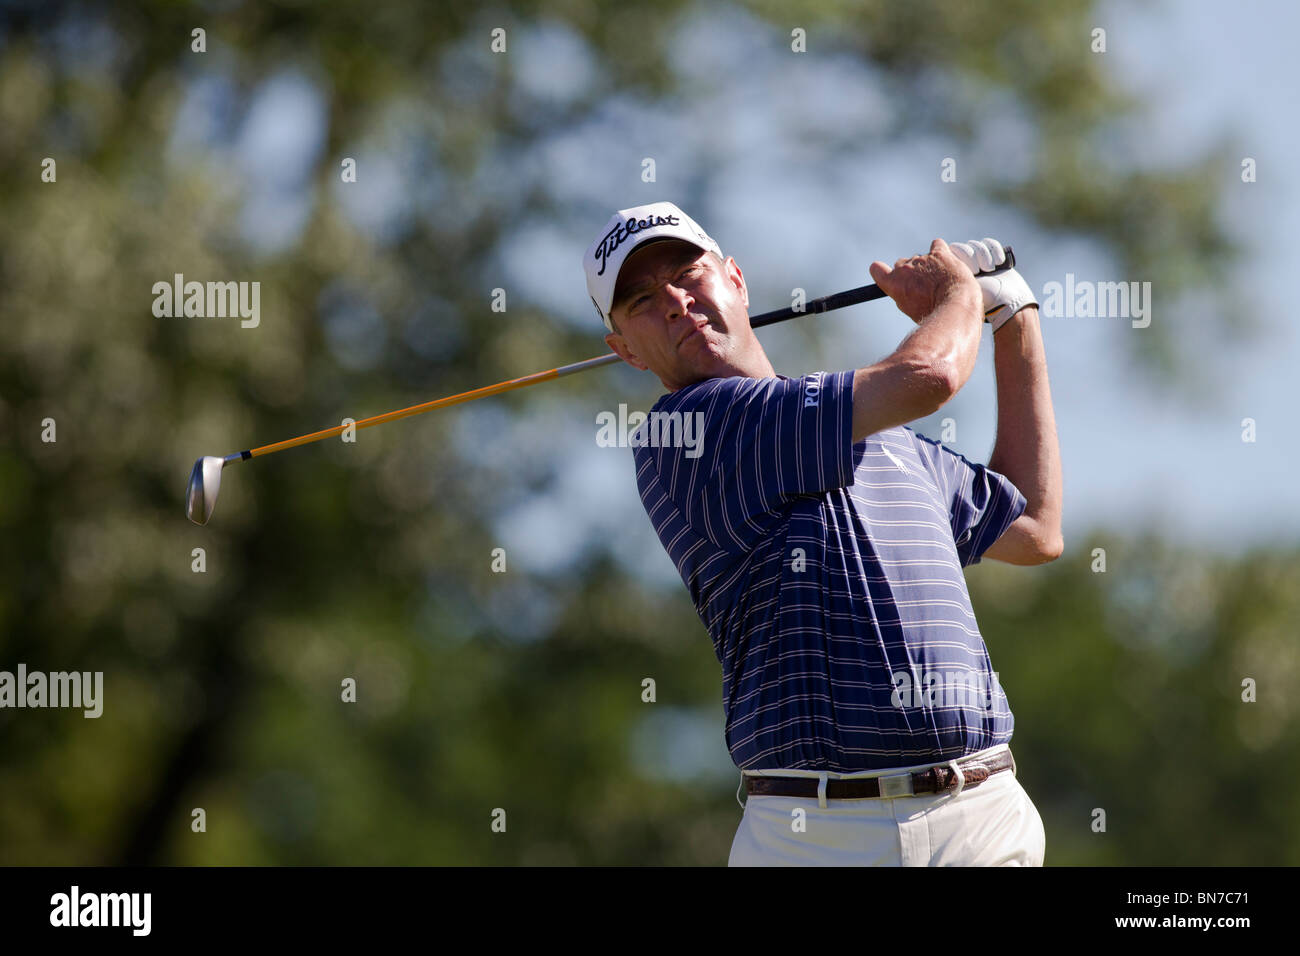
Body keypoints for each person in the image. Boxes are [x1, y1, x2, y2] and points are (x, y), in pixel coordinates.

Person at [583, 201, 1062, 866]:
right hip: (815, 836)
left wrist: (1013, 317)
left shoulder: (887, 441)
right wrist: (958, 295)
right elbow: (931, 376)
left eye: (687, 274)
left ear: (735, 280)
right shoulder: (685, 436)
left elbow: (1035, 526)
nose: (671, 300)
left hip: (980, 817)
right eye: (639, 299)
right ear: (624, 350)